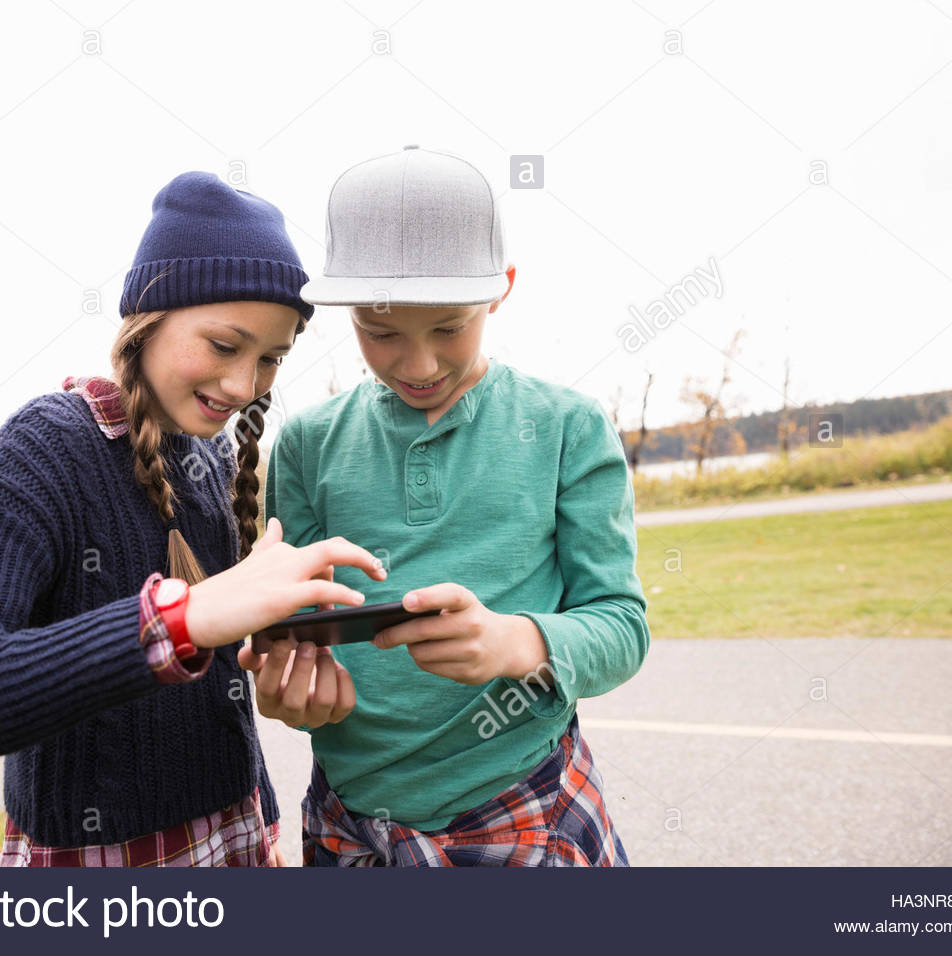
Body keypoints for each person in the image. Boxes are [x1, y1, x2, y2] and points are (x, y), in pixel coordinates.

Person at [0, 171, 386, 867]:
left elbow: (216, 704)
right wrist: (180, 621)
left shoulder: (210, 462)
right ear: (147, 320)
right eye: (222, 344)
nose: (244, 385)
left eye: (272, 357)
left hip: (238, 842)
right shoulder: (47, 448)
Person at [244, 146, 649, 866]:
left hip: (521, 805)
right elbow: (303, 630)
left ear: (502, 290)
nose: (419, 364)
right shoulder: (306, 444)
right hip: (350, 818)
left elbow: (620, 626)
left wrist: (515, 643)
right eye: (382, 332)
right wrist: (290, 690)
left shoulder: (567, 427)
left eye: (448, 328)